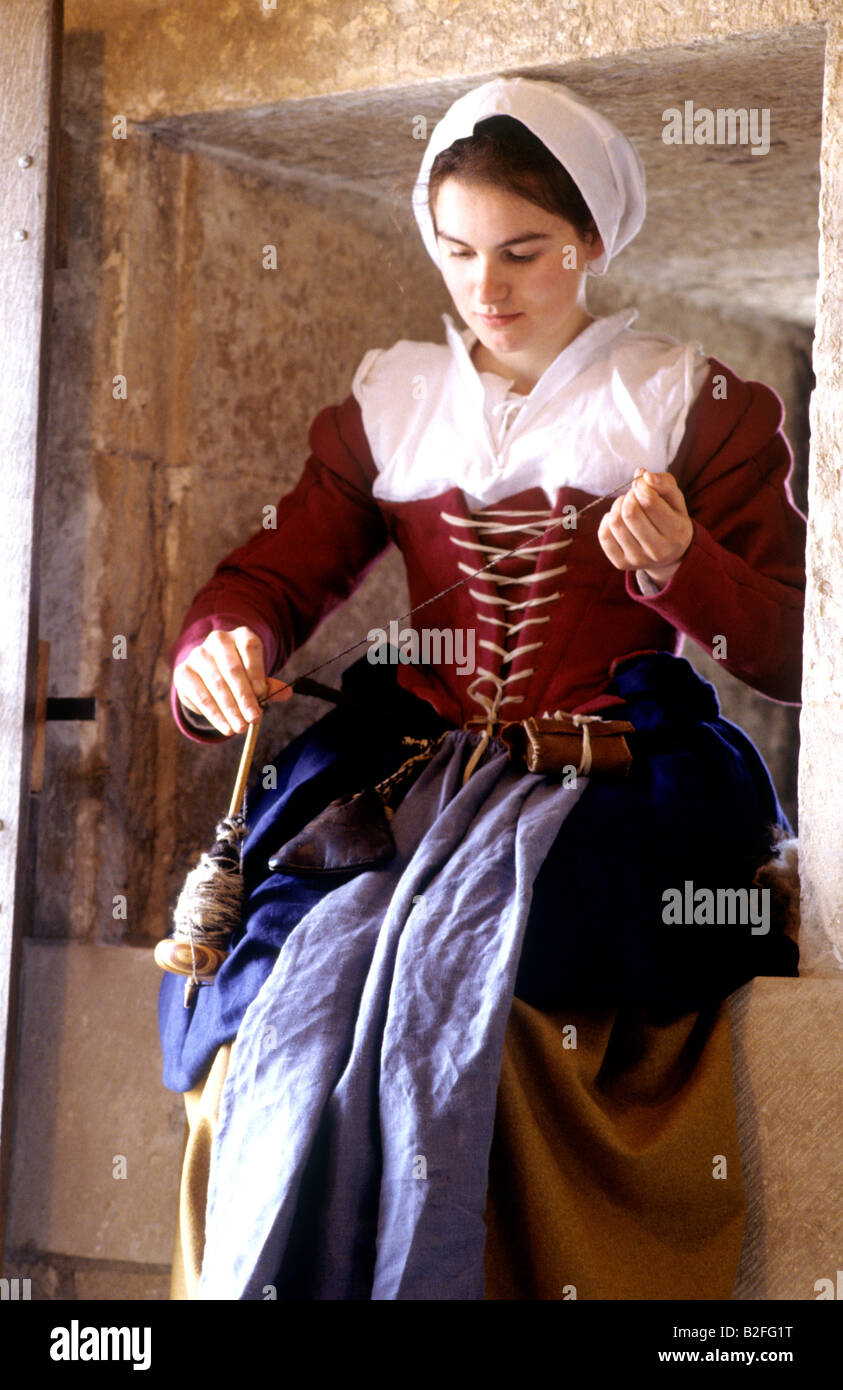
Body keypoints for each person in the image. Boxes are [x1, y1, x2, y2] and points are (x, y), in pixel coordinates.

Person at [162, 77, 805, 1301]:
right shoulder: (393, 400)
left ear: (594, 244)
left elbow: (794, 652)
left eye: (524, 251)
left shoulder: (688, 401)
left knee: (474, 990)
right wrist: (222, 646)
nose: (486, 289)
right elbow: (271, 577)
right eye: (456, 251)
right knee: (301, 986)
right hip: (414, 767)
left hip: (613, 774)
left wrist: (681, 571)